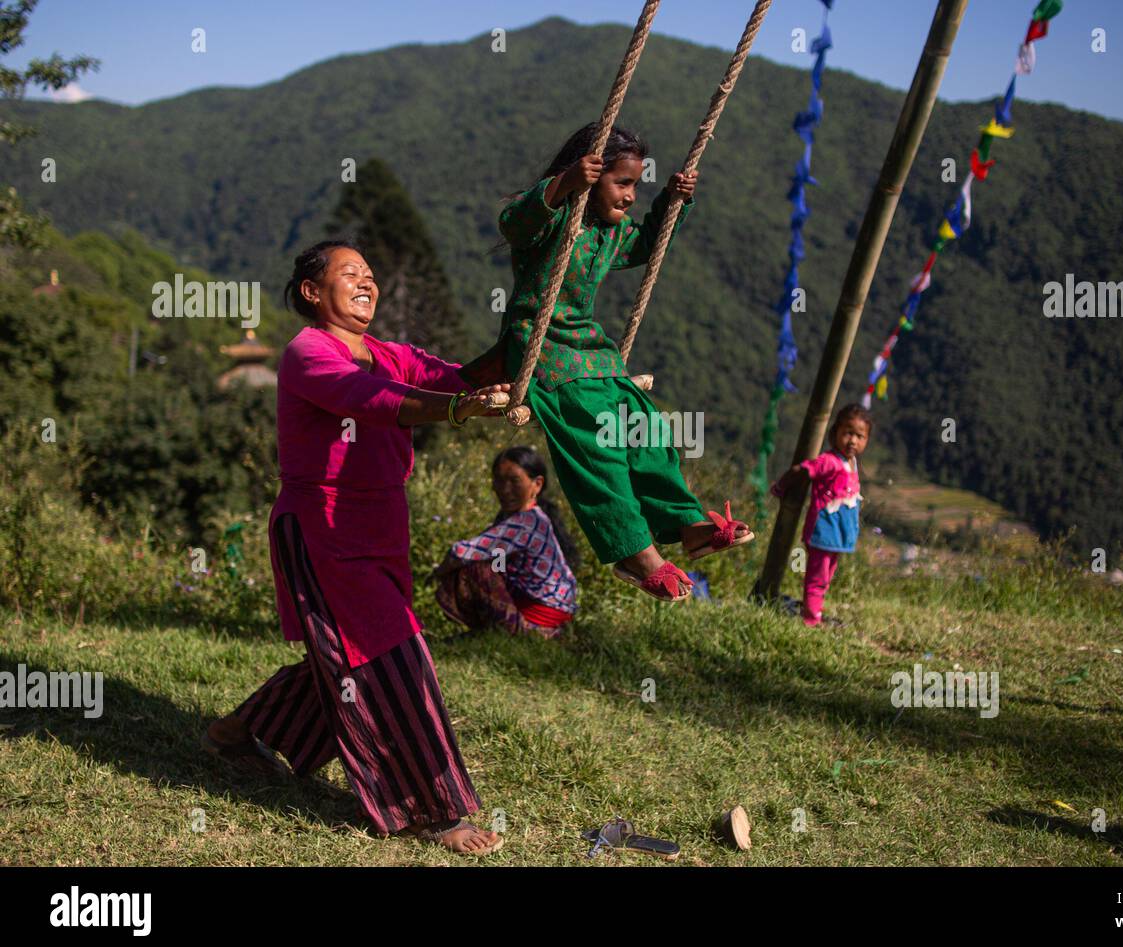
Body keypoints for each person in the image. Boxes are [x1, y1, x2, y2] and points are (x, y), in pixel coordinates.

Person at [203, 239, 509, 855]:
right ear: (313, 293)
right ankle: (431, 809)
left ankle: (233, 734)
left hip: (380, 523)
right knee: (393, 659)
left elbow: (464, 376)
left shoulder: (392, 353)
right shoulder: (306, 353)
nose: (366, 283)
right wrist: (454, 410)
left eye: (370, 274)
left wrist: (526, 337)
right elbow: (370, 401)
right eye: (350, 274)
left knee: (343, 658)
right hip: (322, 526)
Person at [459, 122, 752, 603]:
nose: (632, 195)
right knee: (597, 438)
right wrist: (562, 185)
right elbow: (514, 221)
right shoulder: (557, 221)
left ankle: (687, 523)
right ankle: (635, 552)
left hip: (592, 352)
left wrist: (672, 203)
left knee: (643, 422)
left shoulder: (605, 235)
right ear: (591, 179)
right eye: (624, 183)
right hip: (543, 349)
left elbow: (644, 246)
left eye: (637, 184)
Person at [433, 445, 580, 638]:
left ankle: (518, 632)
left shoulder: (526, 521)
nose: (505, 489)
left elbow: (459, 552)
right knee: (487, 565)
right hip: (544, 607)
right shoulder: (516, 518)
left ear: (537, 484)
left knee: (475, 569)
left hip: (543, 612)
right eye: (499, 481)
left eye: (514, 481)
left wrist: (438, 573)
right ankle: (497, 630)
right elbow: (498, 562)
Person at [770, 404, 871, 627]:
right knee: (817, 577)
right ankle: (811, 620)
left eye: (860, 436)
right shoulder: (829, 461)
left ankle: (814, 612)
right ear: (835, 432)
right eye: (848, 433)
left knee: (825, 577)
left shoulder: (850, 463)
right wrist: (781, 486)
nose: (853, 440)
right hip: (823, 531)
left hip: (838, 535)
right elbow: (803, 470)